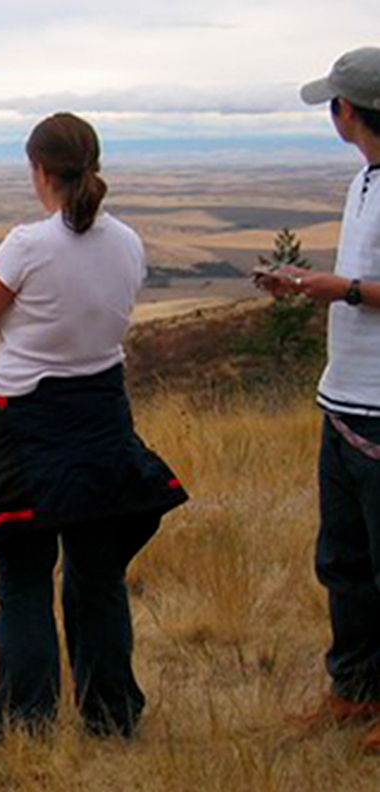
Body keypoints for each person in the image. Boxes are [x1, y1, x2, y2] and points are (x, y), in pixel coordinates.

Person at [0, 112, 188, 742]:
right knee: (98, 576)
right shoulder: (128, 241)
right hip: (102, 421)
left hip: (24, 427)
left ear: (39, 172)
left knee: (24, 581)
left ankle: (25, 725)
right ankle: (111, 717)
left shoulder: (26, 245)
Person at [254, 46, 380, 752]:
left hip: (378, 405)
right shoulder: (364, 182)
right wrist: (312, 285)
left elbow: (362, 288)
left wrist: (341, 290)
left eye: (332, 103)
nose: (330, 113)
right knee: (344, 560)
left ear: (349, 111)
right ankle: (355, 692)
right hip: (345, 396)